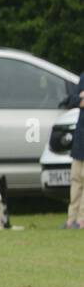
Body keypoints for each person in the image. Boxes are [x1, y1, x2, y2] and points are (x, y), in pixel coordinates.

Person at [65, 64, 84, 229]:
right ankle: (71, 219)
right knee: (76, 179)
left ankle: (82, 220)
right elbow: (72, 99)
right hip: (80, 139)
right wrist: (80, 99)